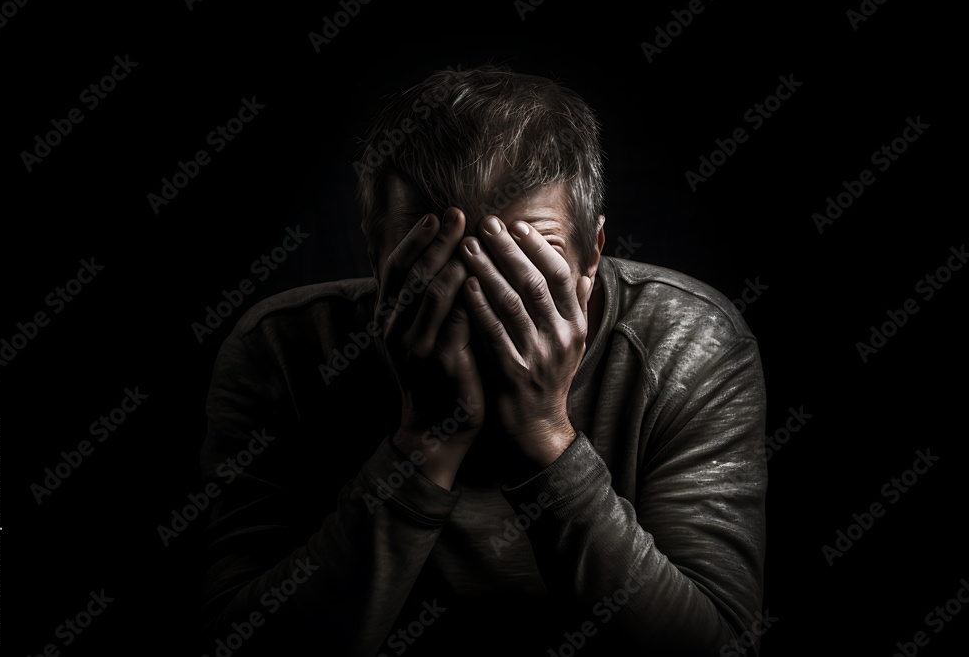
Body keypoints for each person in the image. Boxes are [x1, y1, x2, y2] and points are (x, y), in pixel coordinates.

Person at [199, 65, 768, 657]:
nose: (483, 300)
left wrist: (542, 432)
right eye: (439, 264)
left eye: (523, 264)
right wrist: (424, 442)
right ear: (375, 254)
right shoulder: (283, 350)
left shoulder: (687, 344)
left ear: (592, 255)